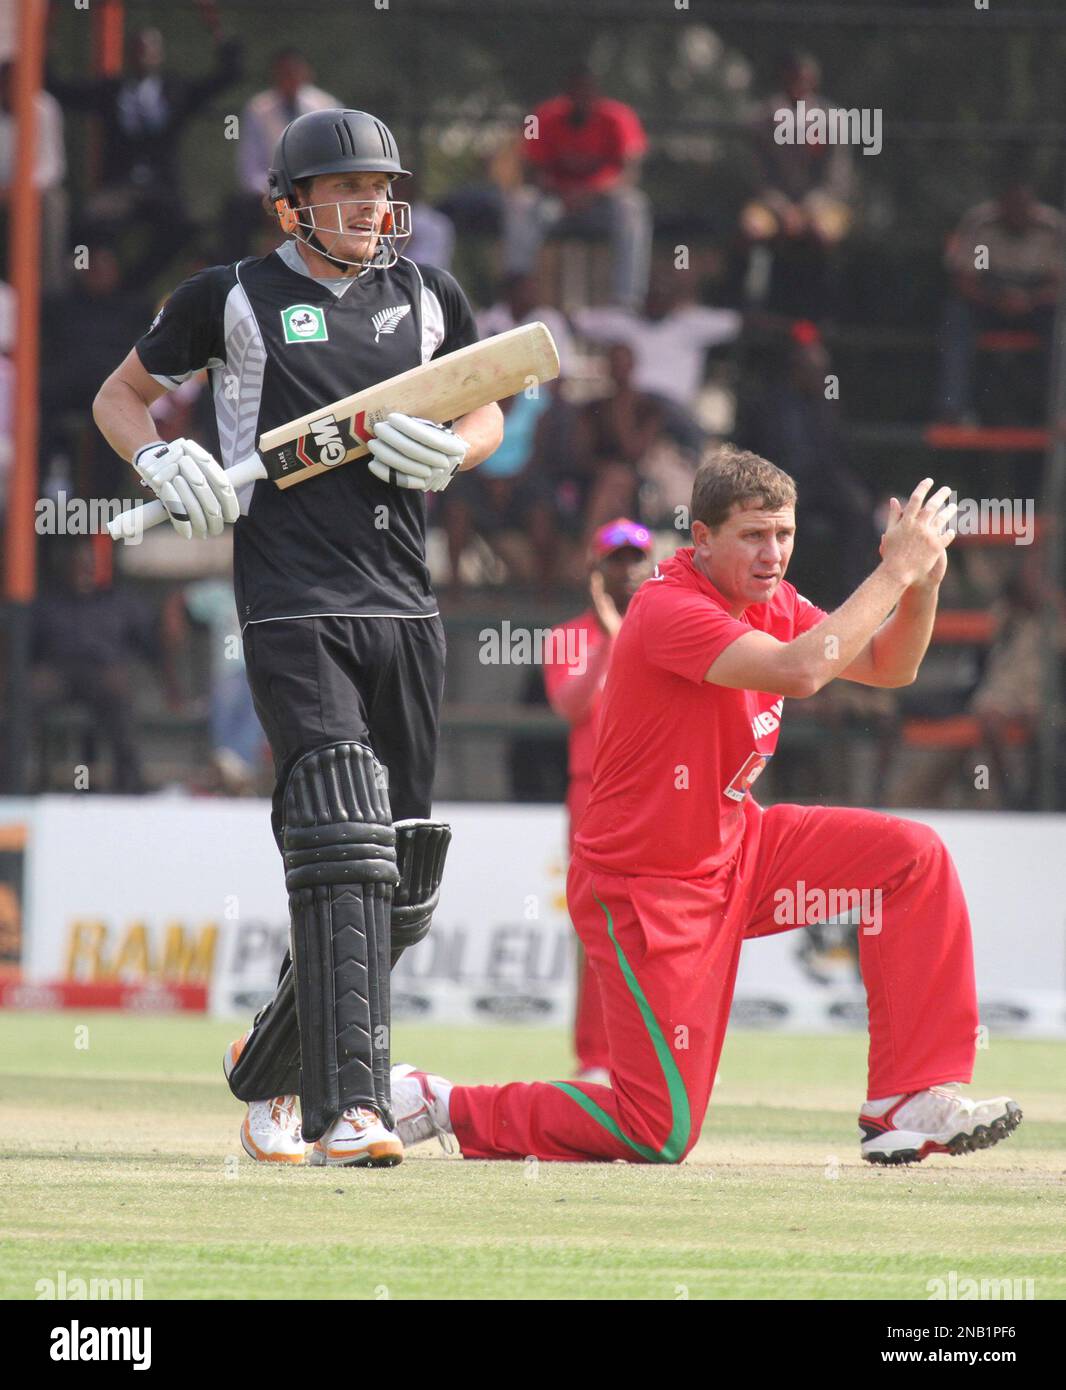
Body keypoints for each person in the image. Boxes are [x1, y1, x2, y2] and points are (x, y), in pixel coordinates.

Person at [390, 445, 1022, 1167]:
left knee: (913, 859)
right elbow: (803, 670)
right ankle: (439, 1102)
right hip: (646, 886)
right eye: (753, 535)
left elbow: (891, 666)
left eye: (782, 535)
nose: (773, 553)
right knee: (655, 1132)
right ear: (702, 538)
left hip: (739, 851)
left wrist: (924, 584)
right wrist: (894, 571)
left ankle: (903, 1102)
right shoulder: (666, 607)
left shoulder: (774, 599)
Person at [93, 108, 503, 1168]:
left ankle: (265, 1068)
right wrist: (155, 463)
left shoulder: (423, 295)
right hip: (288, 601)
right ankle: (348, 1108)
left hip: (404, 607)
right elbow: (121, 396)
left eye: (382, 186)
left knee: (398, 877)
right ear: (294, 204)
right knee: (338, 826)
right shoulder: (229, 295)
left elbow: (489, 400)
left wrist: (455, 450)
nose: (373, 204)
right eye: (348, 187)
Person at [542, 518, 652, 1083]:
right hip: (595, 791)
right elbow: (570, 703)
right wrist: (612, 639)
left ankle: (653, 1054)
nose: (628, 570)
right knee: (597, 926)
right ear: (594, 569)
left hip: (657, 792)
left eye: (637, 558)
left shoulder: (665, 629)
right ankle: (595, 1057)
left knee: (654, 925)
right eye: (616, 559)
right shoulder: (568, 636)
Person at [504, 64, 651, 310]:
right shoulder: (544, 117)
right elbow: (531, 170)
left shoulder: (618, 117)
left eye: (588, 91)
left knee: (633, 206)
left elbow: (630, 172)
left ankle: (627, 300)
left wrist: (590, 194)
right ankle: (517, 292)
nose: (582, 98)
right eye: (576, 91)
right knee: (521, 202)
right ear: (567, 94)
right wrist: (563, 193)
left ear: (597, 93)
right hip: (556, 205)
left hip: (601, 206)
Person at [936, 170, 1065, 424]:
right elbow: (963, 280)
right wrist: (998, 299)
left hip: (1036, 303)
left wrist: (1029, 299)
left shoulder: (1052, 226)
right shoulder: (980, 223)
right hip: (989, 299)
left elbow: (1059, 284)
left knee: (1061, 325)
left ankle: (1059, 410)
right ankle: (952, 409)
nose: (1017, 213)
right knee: (956, 317)